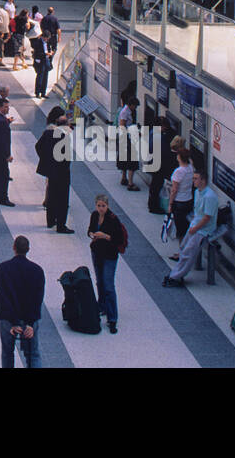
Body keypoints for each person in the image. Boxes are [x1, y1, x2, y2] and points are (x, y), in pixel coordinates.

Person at [164, 168, 220, 287]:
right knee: (184, 248)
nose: (193, 181)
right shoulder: (197, 192)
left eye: (195, 178)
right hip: (195, 225)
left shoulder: (209, 197)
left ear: (203, 180)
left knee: (188, 253)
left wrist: (195, 229)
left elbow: (207, 218)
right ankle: (176, 274)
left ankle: (176, 276)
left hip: (203, 230)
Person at [0, 235, 45, 368]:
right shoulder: (38, 271)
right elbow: (37, 299)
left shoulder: (3, 269)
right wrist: (29, 323)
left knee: (7, 353)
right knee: (33, 354)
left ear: (14, 248)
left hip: (8, 320)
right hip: (30, 319)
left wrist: (13, 322)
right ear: (28, 249)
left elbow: (3, 297)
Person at [88, 194, 123, 333]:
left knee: (108, 285)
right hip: (97, 252)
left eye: (103, 206)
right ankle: (102, 306)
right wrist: (92, 234)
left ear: (107, 206)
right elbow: (89, 230)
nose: (101, 208)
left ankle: (112, 317)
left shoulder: (113, 219)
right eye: (99, 206)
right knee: (100, 282)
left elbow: (118, 239)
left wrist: (105, 236)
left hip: (109, 255)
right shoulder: (94, 216)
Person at [36, 107, 73, 233]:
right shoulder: (65, 137)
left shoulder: (48, 133)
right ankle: (61, 225)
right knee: (62, 199)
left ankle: (50, 221)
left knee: (51, 196)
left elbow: (38, 146)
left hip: (51, 171)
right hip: (62, 174)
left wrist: (46, 160)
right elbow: (66, 158)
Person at [168, 149, 195, 241]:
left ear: (179, 157)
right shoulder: (191, 168)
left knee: (180, 229)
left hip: (179, 201)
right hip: (188, 199)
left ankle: (181, 251)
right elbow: (190, 162)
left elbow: (174, 190)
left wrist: (170, 204)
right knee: (186, 225)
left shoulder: (179, 171)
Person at [117, 92, 141, 191]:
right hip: (127, 139)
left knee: (124, 159)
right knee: (132, 160)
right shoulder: (125, 112)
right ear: (131, 105)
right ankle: (130, 183)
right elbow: (122, 126)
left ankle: (124, 178)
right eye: (135, 106)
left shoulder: (127, 111)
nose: (135, 108)